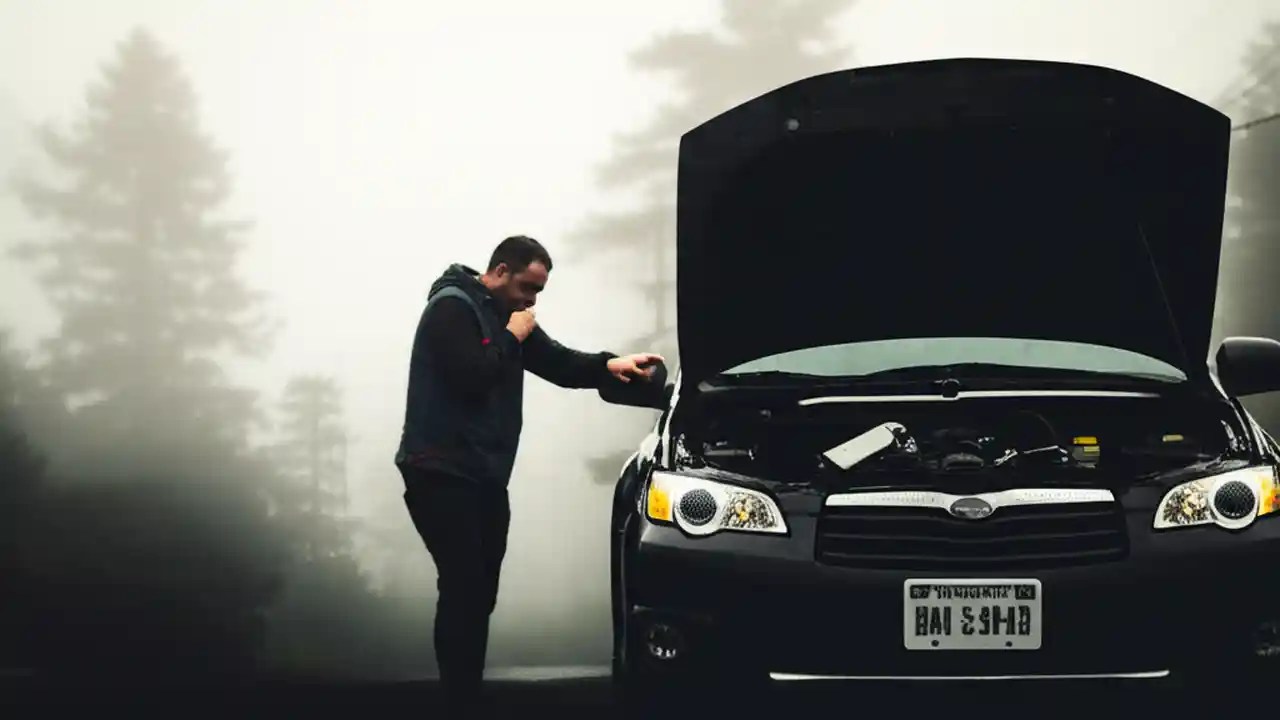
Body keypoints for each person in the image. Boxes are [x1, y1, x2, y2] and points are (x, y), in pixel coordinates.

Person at [394, 234, 663, 710]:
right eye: (526, 287)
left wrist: (611, 365)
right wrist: (512, 335)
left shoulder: (506, 319)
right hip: (438, 471)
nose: (532, 300)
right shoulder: (450, 308)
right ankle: (459, 697)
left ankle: (464, 690)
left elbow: (558, 362)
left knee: (481, 591)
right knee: (463, 585)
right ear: (499, 272)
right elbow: (471, 377)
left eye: (538, 291)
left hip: (485, 476)